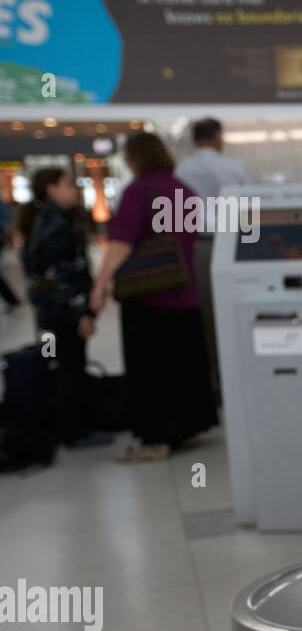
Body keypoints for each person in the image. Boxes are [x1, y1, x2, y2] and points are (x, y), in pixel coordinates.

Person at [90, 133, 217, 462]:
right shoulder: (183, 190)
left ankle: (157, 439)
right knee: (184, 363)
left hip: (148, 295)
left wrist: (101, 283)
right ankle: (186, 428)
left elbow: (121, 244)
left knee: (151, 367)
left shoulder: (138, 191)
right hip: (185, 292)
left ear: (134, 159)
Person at [17, 168, 102, 446]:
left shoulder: (47, 219)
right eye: (67, 185)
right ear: (51, 188)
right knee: (70, 366)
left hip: (54, 310)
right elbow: (61, 274)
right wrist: (81, 312)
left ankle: (72, 426)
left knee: (67, 363)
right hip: (63, 310)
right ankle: (73, 431)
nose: (74, 190)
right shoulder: (55, 224)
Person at [175, 117, 248, 404]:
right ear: (219, 138)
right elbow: (247, 209)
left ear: (194, 141)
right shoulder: (235, 167)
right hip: (233, 244)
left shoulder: (182, 170)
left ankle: (213, 384)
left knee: (206, 315)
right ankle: (238, 378)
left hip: (199, 247)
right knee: (235, 312)